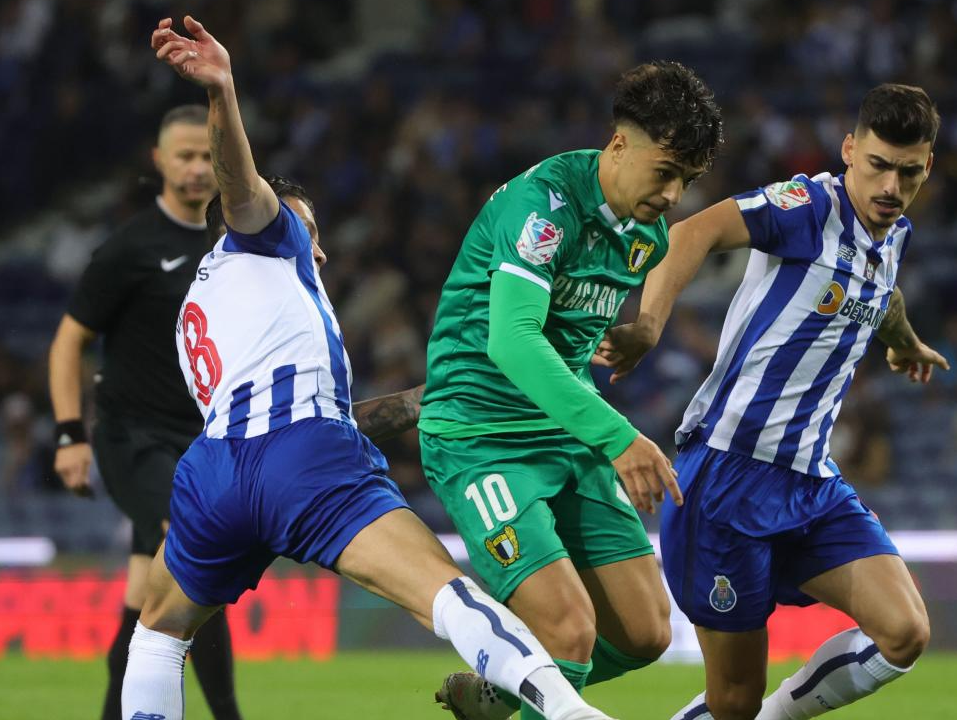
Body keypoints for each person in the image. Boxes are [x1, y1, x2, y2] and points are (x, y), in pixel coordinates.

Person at [130, 17, 617, 720]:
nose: (316, 251)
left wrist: (422, 401)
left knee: (159, 629)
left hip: (211, 475)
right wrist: (223, 93)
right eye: (310, 233)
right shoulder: (265, 237)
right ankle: (573, 714)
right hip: (299, 456)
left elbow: (324, 414)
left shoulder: (197, 312)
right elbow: (240, 189)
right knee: (446, 594)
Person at [593, 83, 949, 720]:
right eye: (877, 165)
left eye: (909, 171)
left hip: (812, 482)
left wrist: (905, 343)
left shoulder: (892, 236)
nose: (891, 186)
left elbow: (882, 294)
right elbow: (693, 232)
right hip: (728, 476)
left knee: (904, 632)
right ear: (848, 151)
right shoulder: (809, 205)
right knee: (733, 702)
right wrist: (647, 324)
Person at [420, 62, 722, 719]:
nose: (674, 196)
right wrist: (620, 436)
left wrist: (642, 328)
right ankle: (531, 688)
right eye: (666, 171)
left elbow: (579, 319)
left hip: (564, 436)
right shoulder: (544, 207)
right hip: (481, 438)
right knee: (566, 631)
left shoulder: (645, 234)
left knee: (644, 634)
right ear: (619, 145)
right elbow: (513, 340)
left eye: (688, 181)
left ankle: (508, 689)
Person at [46, 100, 244, 719]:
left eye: (205, 157)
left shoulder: (234, 245)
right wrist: (69, 434)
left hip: (198, 439)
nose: (195, 169)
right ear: (159, 162)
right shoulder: (129, 248)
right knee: (198, 548)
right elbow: (68, 340)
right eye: (183, 156)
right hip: (133, 438)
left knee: (143, 590)